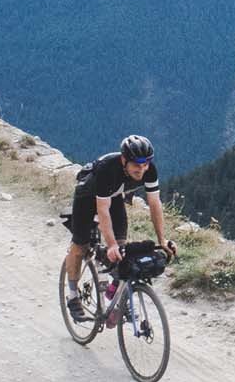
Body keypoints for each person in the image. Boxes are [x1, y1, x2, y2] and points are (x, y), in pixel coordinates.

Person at [62, 134, 173, 319]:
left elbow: (155, 204)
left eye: (145, 164)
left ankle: (117, 294)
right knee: (80, 245)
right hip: (87, 197)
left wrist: (162, 240)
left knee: (123, 248)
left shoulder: (149, 169)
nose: (142, 169)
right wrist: (110, 244)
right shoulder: (108, 169)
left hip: (114, 197)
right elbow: (103, 211)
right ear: (124, 160)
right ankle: (73, 297)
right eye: (137, 165)